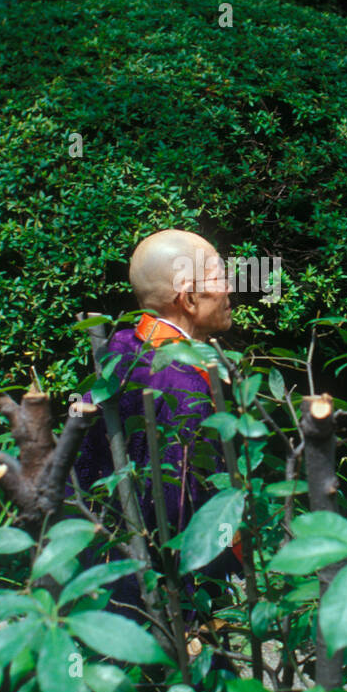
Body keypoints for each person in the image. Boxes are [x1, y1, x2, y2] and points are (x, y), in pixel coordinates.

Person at [72, 229, 239, 632]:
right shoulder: (182, 385)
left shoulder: (124, 345)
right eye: (218, 276)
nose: (231, 287)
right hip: (160, 586)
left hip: (103, 560)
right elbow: (178, 507)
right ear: (189, 297)